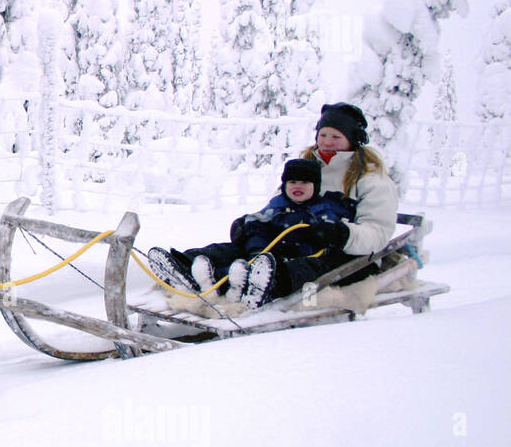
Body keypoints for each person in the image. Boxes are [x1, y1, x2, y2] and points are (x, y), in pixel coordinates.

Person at [147, 102, 399, 308]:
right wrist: (252, 223)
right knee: (245, 246)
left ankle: (260, 284)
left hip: (342, 255)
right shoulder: (308, 167)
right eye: (323, 135)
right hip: (296, 238)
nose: (327, 142)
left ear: (353, 140)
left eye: (336, 136)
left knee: (300, 268)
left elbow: (378, 233)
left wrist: (340, 234)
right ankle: (188, 266)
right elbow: (280, 204)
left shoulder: (370, 178)